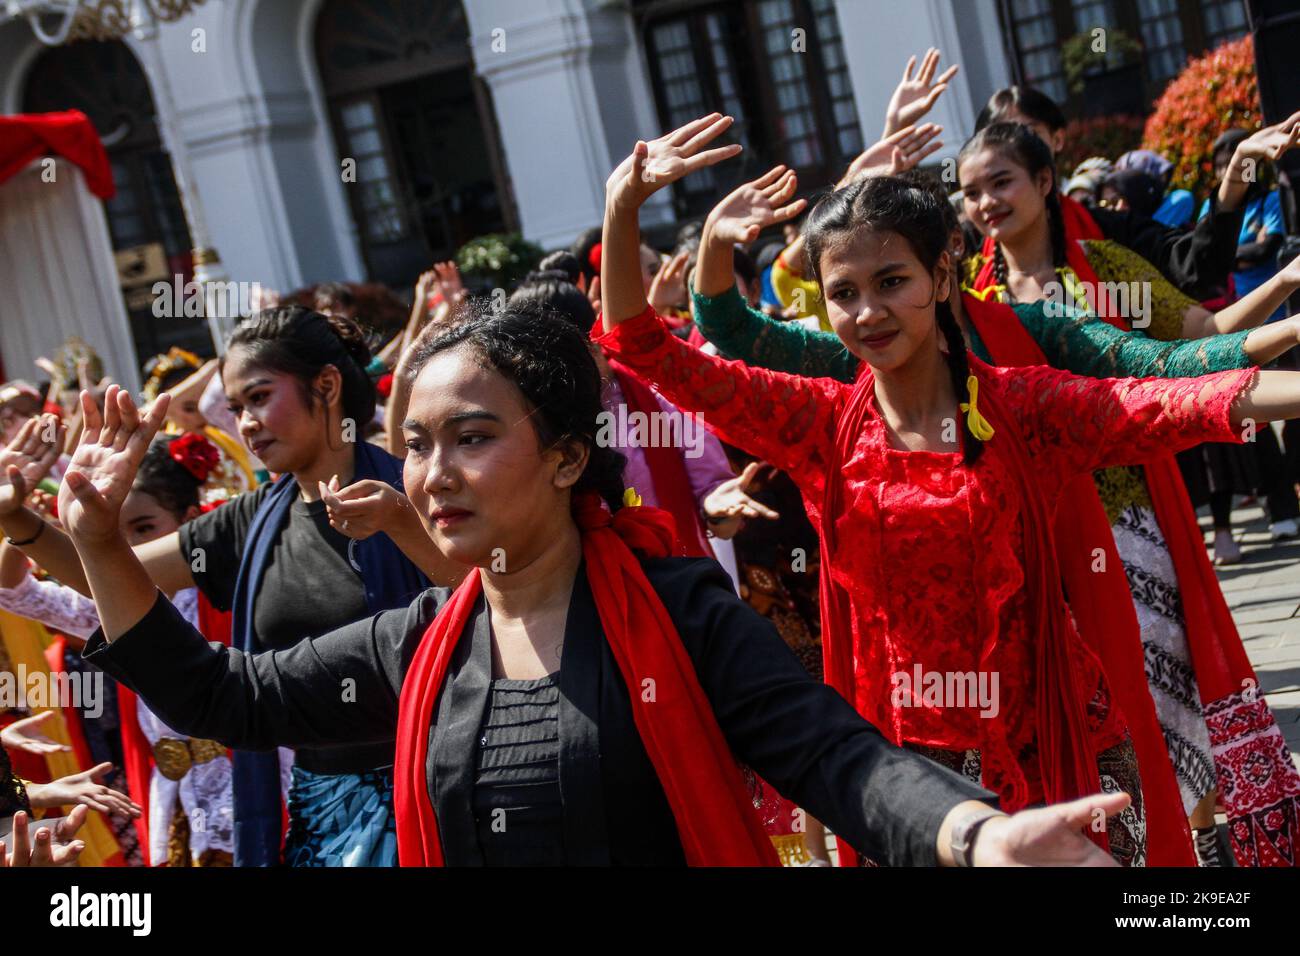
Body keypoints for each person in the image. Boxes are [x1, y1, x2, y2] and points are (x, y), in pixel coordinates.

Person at [59, 305, 1130, 868]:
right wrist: (99, 540)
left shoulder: (675, 611)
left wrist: (974, 835)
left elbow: (838, 757)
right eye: (417, 443)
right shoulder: (418, 640)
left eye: (473, 438)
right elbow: (217, 694)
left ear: (568, 456)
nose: (432, 474)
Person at [596, 113, 1300, 866]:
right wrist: (623, 203)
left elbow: (1169, 398)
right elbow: (648, 348)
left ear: (940, 275)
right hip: (906, 780)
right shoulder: (818, 422)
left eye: (892, 282)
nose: (868, 313)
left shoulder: (1025, 406)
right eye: (844, 293)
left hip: (1055, 749)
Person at [0, 308, 461, 867]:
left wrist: (403, 526)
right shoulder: (250, 521)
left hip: (435, 790)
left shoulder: (418, 493)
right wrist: (25, 520)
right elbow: (115, 575)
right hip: (315, 807)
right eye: (237, 407)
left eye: (260, 397)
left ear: (328, 385)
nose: (245, 423)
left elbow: (492, 602)